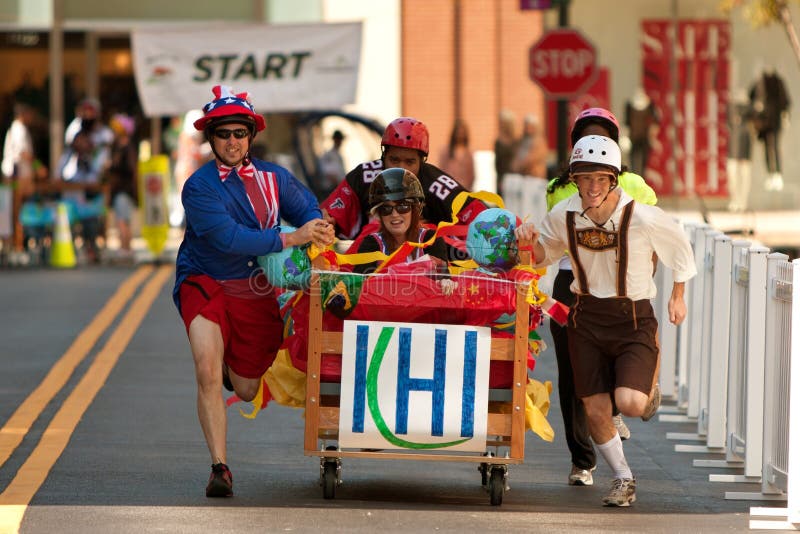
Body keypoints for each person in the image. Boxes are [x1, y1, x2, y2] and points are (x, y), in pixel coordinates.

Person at [515, 135, 696, 507]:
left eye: (601, 178)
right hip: (586, 317)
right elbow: (539, 256)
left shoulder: (641, 216)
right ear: (574, 179)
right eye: (585, 178)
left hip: (633, 317)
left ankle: (649, 380)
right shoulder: (564, 214)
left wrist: (678, 296)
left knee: (629, 403)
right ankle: (623, 478)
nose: (593, 186)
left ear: (613, 179)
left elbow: (679, 247)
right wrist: (525, 243)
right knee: (595, 409)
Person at [173, 85, 334, 498]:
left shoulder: (274, 177)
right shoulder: (198, 187)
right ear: (211, 138)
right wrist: (292, 238)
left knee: (244, 388)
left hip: (254, 288)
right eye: (223, 133)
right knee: (206, 370)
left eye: (239, 133)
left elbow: (308, 209)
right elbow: (228, 238)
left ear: (250, 136)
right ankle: (219, 468)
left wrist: (318, 227)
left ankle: (231, 366)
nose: (232, 141)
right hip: (204, 280)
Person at [545, 107, 658, 486]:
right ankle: (582, 459)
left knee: (612, 360)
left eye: (602, 137)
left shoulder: (637, 186)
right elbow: (555, 237)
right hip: (570, 284)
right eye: (584, 138)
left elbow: (652, 237)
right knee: (570, 373)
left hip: (619, 285)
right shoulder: (557, 188)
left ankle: (614, 408)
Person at [320, 117, 486, 243]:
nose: (401, 168)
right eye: (394, 159)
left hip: (424, 269)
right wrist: (327, 222)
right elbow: (328, 215)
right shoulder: (363, 177)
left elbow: (481, 217)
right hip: (372, 264)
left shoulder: (438, 184)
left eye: (409, 162)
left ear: (422, 161)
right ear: (384, 155)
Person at [353, 167, 450, 279]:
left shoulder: (431, 240)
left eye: (402, 206)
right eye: (386, 209)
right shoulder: (371, 244)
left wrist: (445, 282)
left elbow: (443, 280)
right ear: (379, 215)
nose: (394, 214)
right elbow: (359, 287)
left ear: (415, 210)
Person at [107, 113, 138, 258]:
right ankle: (126, 248)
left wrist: (112, 166)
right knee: (123, 219)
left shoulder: (126, 148)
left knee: (122, 220)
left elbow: (131, 170)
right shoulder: (118, 147)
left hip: (123, 190)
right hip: (122, 190)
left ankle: (125, 248)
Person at [438, 119, 475, 189]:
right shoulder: (446, 151)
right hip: (448, 188)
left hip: (464, 189)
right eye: (458, 133)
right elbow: (441, 170)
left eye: (462, 133)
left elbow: (471, 174)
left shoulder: (468, 153)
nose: (460, 135)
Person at [494, 109, 518, 196]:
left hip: (515, 178)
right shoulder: (499, 141)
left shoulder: (516, 140)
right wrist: (500, 180)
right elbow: (497, 163)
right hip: (502, 177)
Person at [318, 129, 347, 198]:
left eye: (340, 139)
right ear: (334, 140)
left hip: (336, 189)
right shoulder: (329, 155)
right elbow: (329, 174)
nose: (340, 142)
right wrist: (340, 186)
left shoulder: (338, 155)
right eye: (338, 139)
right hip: (330, 190)